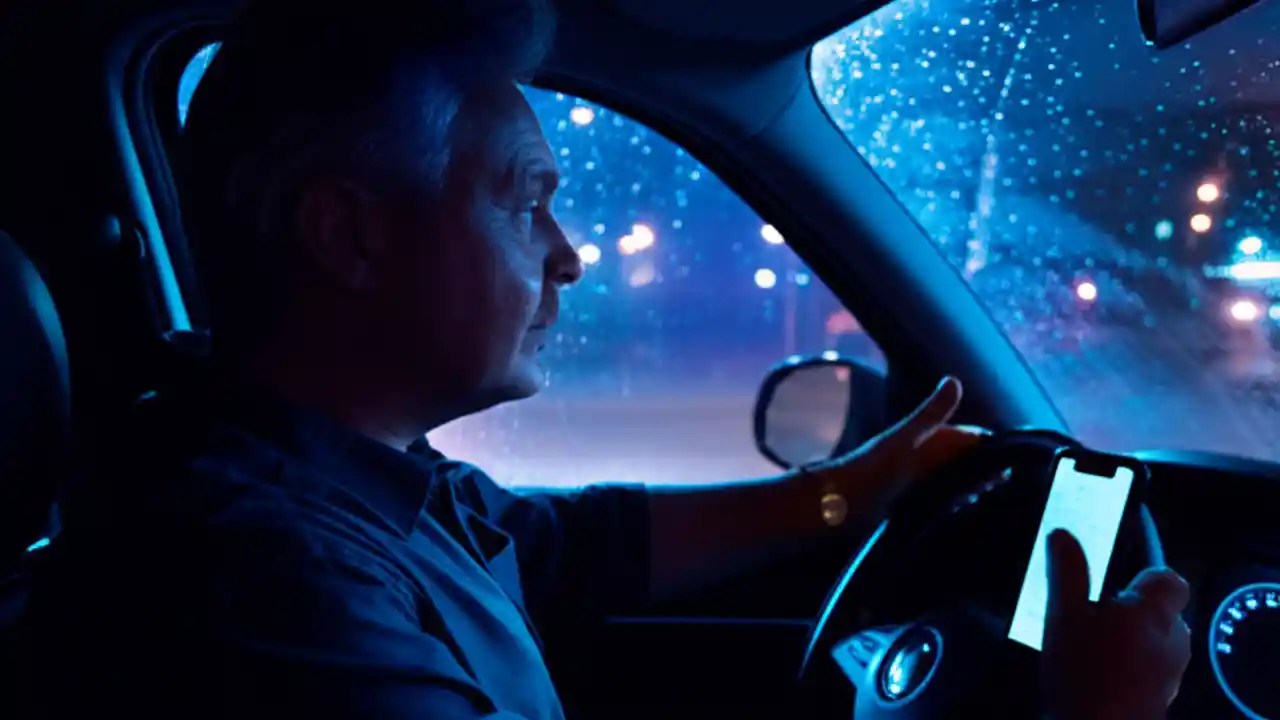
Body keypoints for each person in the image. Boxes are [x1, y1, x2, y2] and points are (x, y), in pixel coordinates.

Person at [28, 1, 1190, 718]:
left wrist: (854, 489)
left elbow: (569, 551)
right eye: (526, 199)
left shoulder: (345, 480)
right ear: (351, 234)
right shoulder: (269, 582)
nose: (569, 255)